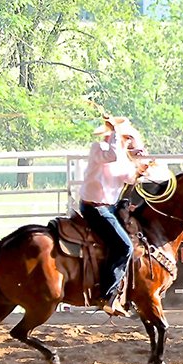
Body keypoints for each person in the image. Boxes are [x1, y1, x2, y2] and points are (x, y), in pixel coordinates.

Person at [79, 115, 149, 316]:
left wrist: (139, 166)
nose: (128, 142)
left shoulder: (120, 158)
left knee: (133, 239)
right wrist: (118, 134)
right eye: (126, 138)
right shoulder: (99, 149)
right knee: (124, 246)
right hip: (95, 207)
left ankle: (126, 293)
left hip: (107, 207)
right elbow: (112, 156)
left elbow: (128, 176)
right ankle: (107, 296)